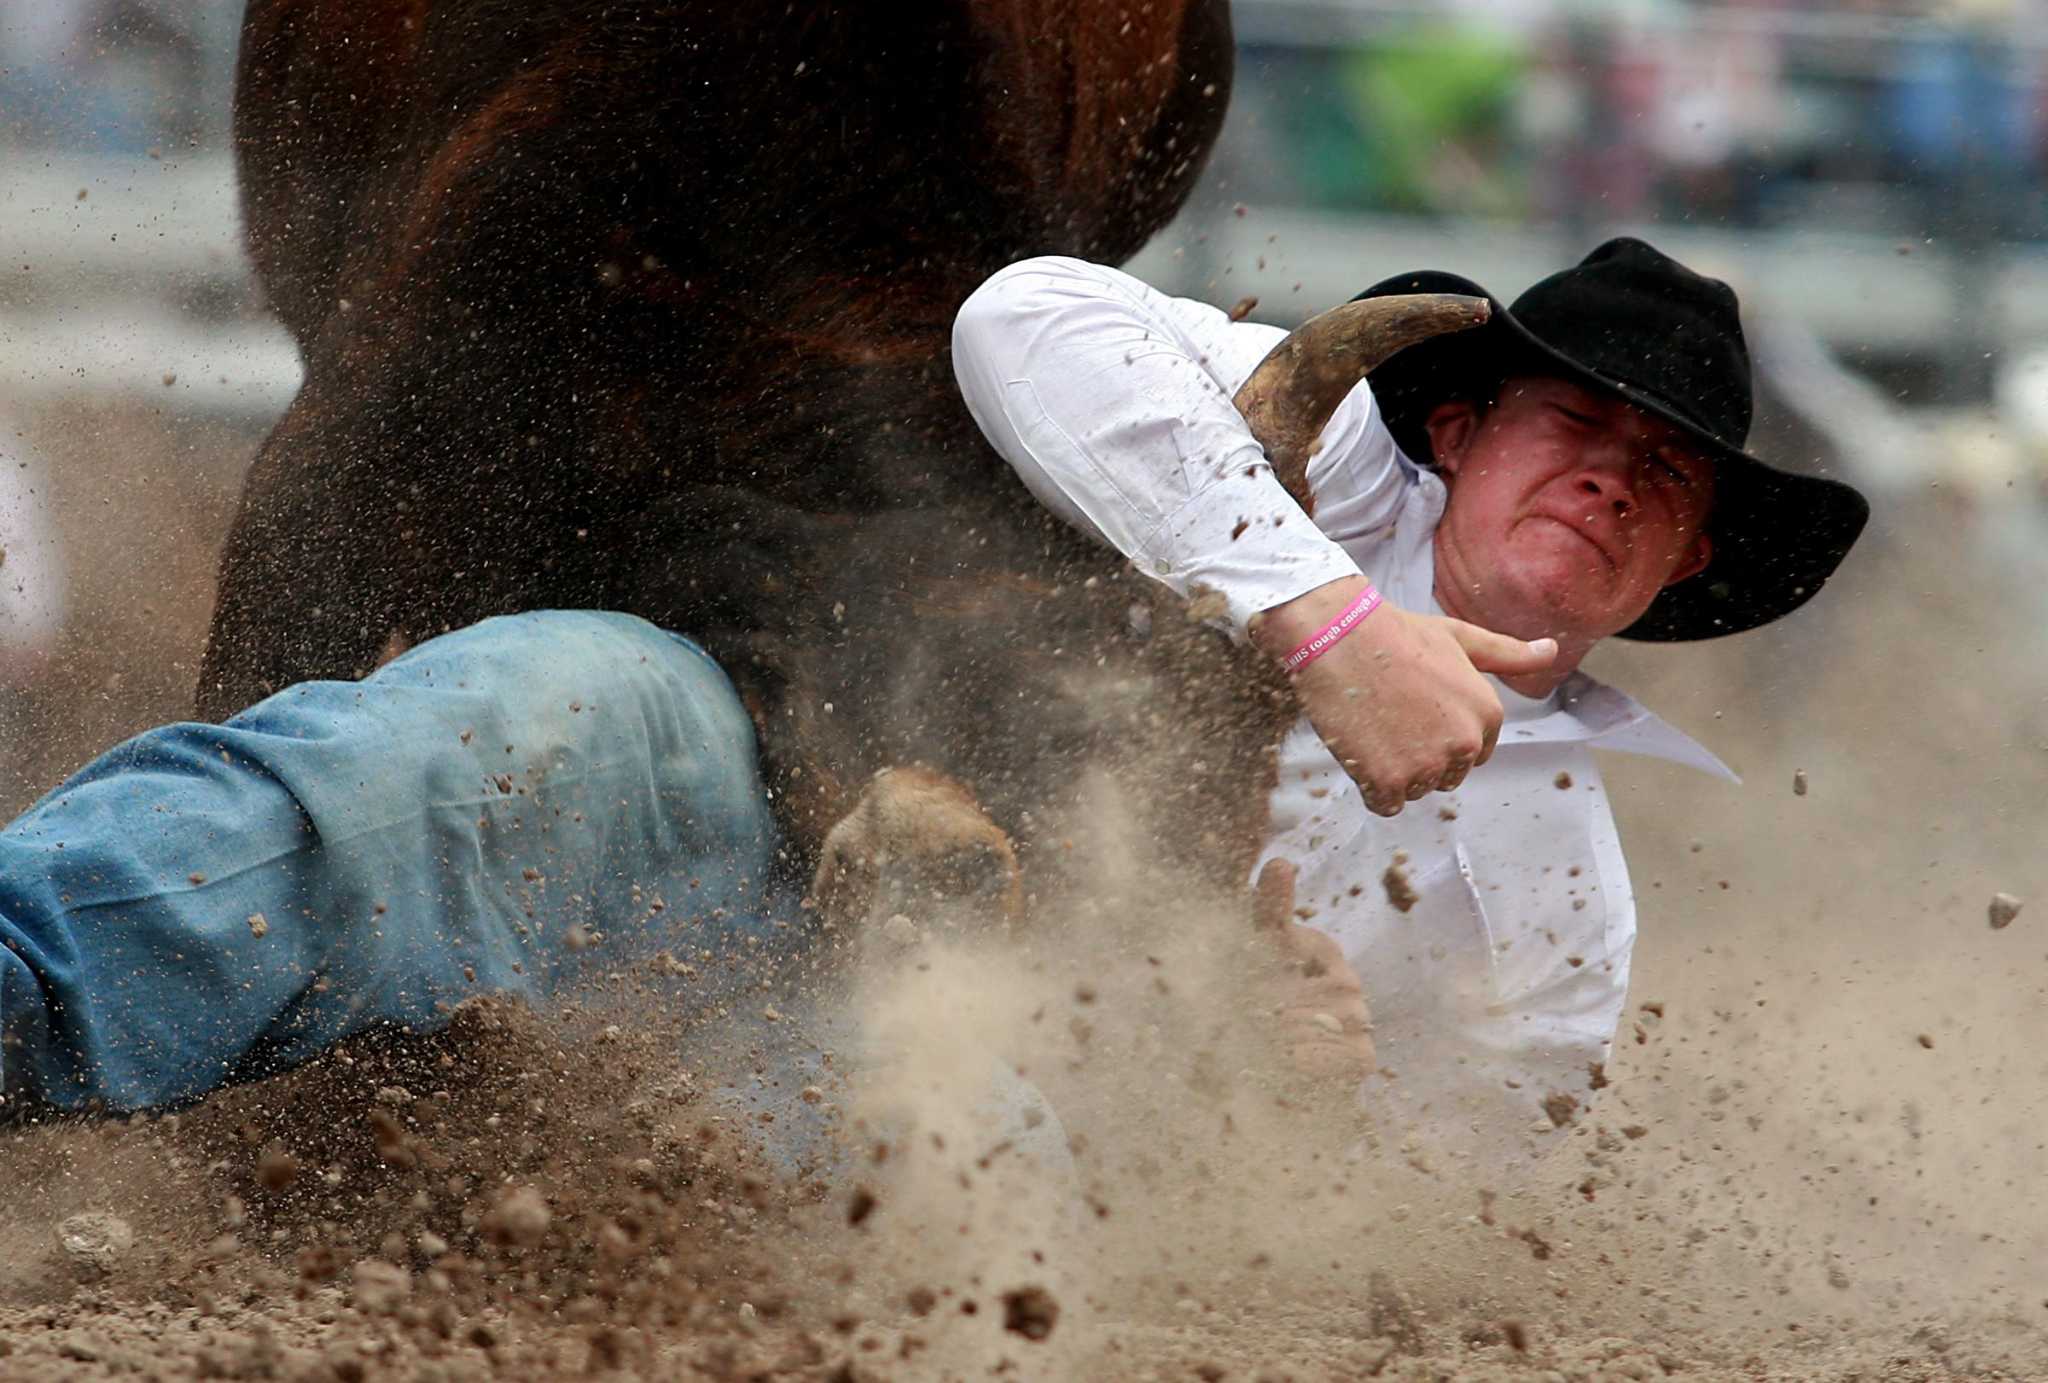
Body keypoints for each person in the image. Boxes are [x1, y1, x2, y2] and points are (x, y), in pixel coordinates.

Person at [950, 238, 1868, 1155]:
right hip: (882, 894)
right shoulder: (1329, 463)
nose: (1610, 480)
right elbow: (1019, 312)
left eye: (1667, 471)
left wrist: (1318, 1097)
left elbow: (1470, 1212)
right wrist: (1329, 622)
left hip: (1099, 1157)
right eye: (1577, 420)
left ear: (1685, 563)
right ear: (1456, 434)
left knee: (1007, 1137)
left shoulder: (1571, 902)